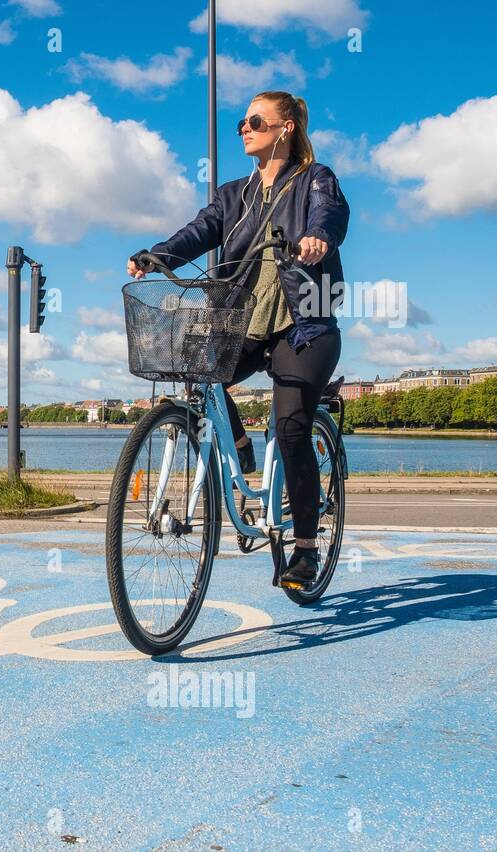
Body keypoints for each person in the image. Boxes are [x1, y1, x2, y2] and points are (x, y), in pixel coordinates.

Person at [127, 90, 349, 589]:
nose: (244, 129)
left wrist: (318, 238)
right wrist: (156, 256)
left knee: (290, 427)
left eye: (255, 121)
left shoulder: (315, 179)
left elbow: (328, 214)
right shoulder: (234, 195)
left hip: (303, 326)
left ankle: (305, 550)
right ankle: (242, 447)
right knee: (197, 374)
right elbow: (199, 231)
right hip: (244, 323)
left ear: (286, 128)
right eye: (241, 124)